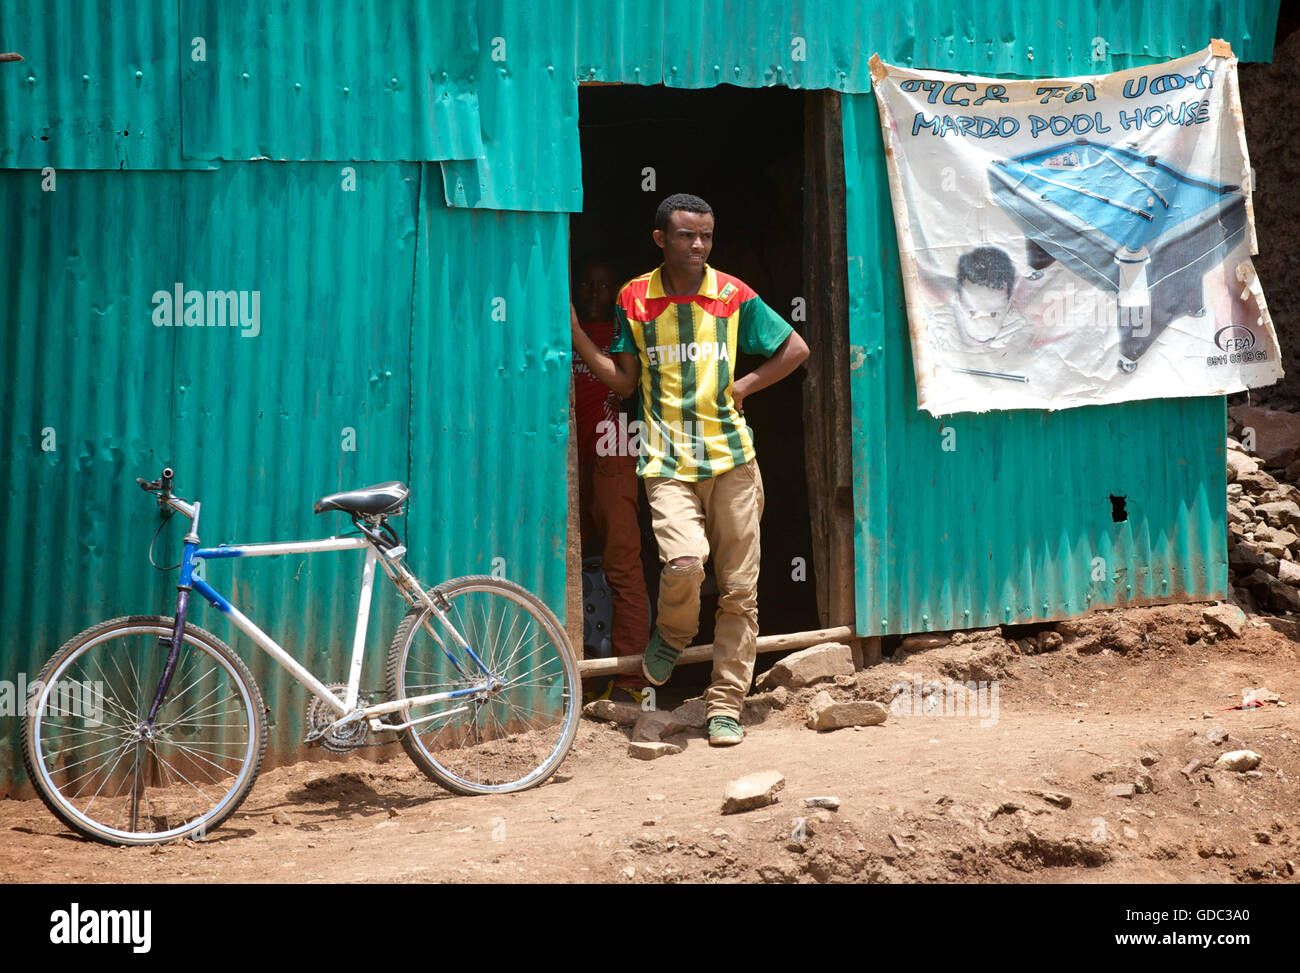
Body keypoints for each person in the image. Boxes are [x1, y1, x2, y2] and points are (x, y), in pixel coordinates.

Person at [569, 193, 810, 746]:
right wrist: (578, 333)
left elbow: (795, 348)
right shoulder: (634, 297)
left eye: (705, 235)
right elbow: (625, 381)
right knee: (682, 563)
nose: (698, 245)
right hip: (667, 462)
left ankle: (725, 706)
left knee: (739, 591)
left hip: (732, 461)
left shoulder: (731, 294)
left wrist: (742, 387)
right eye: (685, 235)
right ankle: (674, 634)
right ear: (660, 239)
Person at [570, 259, 650, 703]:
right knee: (572, 566)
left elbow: (625, 388)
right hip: (568, 457)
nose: (594, 293)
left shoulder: (623, 334)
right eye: (586, 284)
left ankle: (632, 680)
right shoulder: (554, 333)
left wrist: (576, 333)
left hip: (613, 449)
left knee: (622, 563)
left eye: (604, 286)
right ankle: (575, 680)